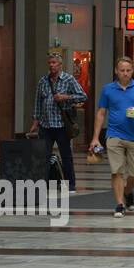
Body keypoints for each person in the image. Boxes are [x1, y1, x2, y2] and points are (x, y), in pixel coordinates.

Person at [90, 56, 134, 217]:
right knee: (116, 171)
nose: (125, 73)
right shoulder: (108, 89)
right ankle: (120, 204)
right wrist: (95, 137)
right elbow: (101, 113)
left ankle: (128, 191)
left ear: (132, 71)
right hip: (114, 135)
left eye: (128, 70)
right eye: (122, 71)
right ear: (116, 71)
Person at [28, 52, 88, 191]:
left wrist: (65, 97)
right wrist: (35, 122)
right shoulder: (43, 81)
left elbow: (83, 96)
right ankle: (44, 184)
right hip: (46, 125)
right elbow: (38, 102)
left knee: (66, 156)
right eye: (49, 63)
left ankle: (70, 184)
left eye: (54, 62)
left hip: (62, 126)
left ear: (60, 65)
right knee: (44, 156)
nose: (51, 65)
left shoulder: (69, 79)